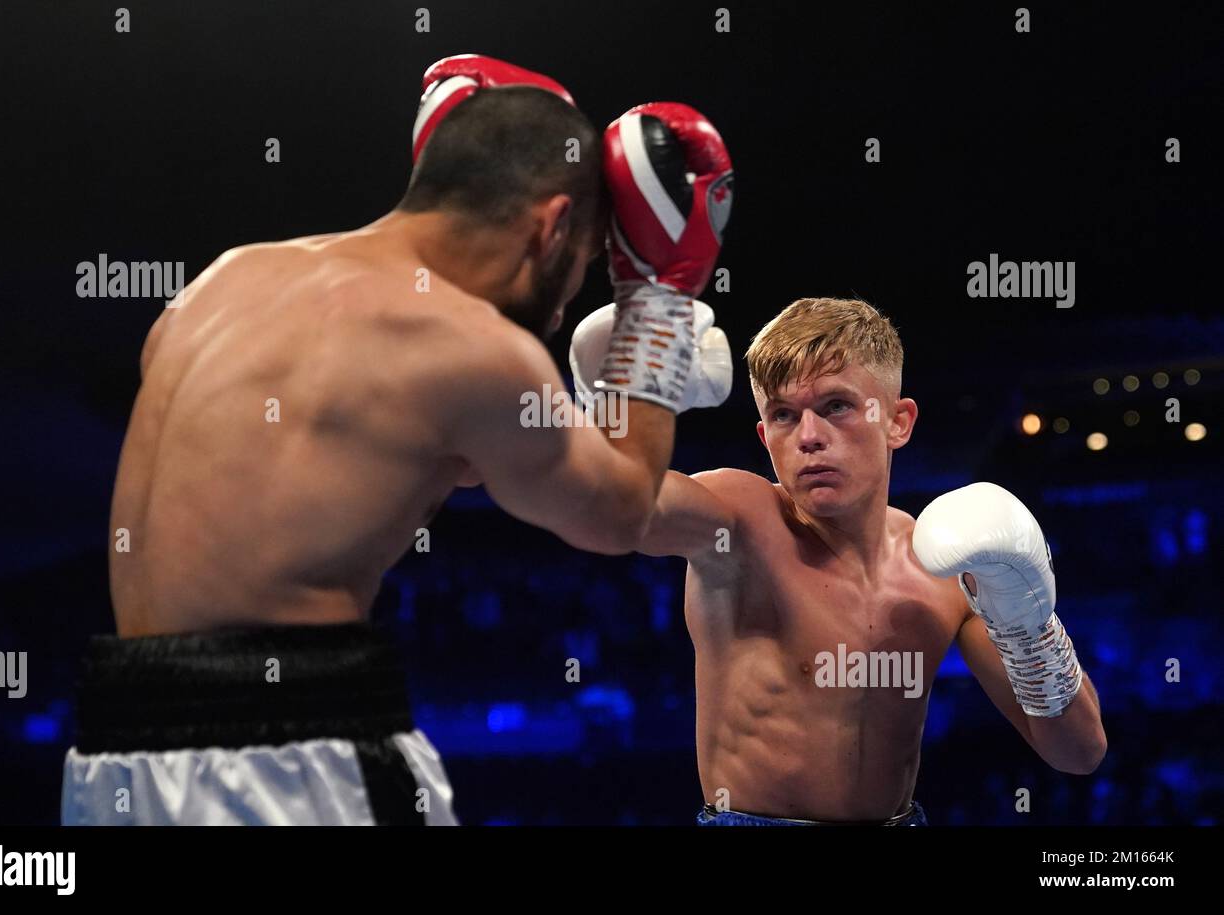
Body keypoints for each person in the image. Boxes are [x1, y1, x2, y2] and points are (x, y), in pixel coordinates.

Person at [61, 55, 734, 825]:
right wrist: (656, 298)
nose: (559, 313)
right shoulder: (469, 348)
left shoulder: (216, 285)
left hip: (111, 760)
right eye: (582, 267)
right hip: (296, 756)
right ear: (550, 228)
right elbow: (618, 513)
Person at [570, 296, 1107, 825]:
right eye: (783, 415)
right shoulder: (740, 521)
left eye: (836, 407)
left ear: (897, 421)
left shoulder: (944, 571)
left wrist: (1028, 623)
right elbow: (617, 510)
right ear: (765, 436)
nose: (808, 438)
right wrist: (611, 395)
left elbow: (1078, 752)